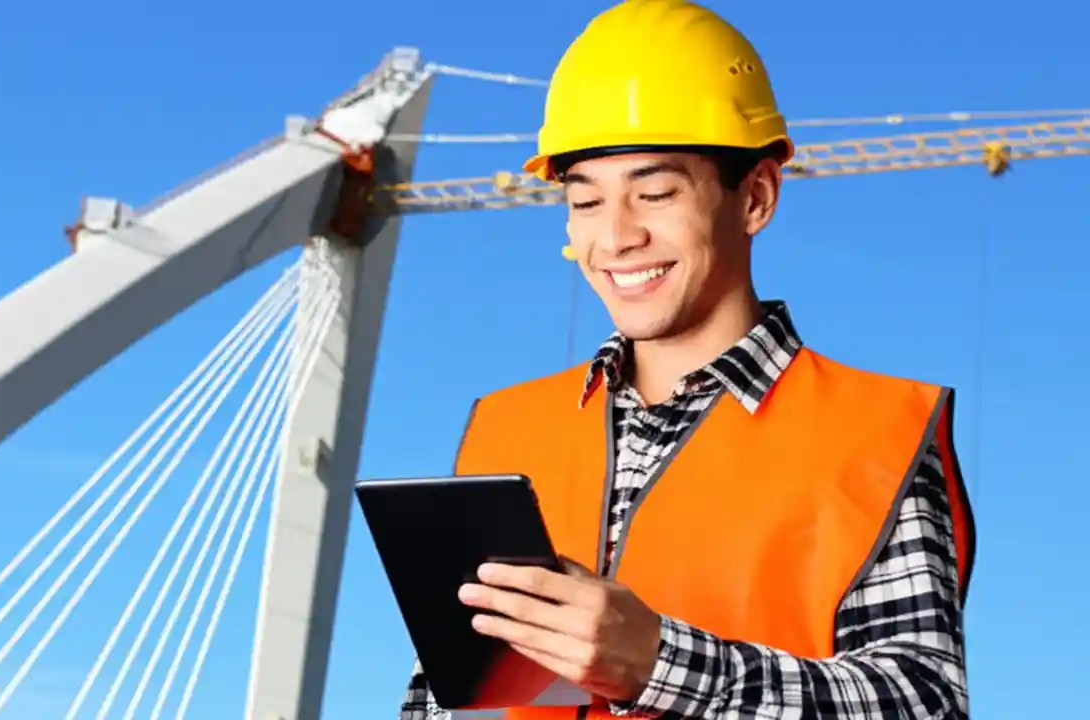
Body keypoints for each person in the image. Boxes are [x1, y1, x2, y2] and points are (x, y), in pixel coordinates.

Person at [398, 1, 976, 718]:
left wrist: (661, 664)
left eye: (655, 193)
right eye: (586, 203)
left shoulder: (876, 432)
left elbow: (923, 703)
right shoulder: (504, 429)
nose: (616, 237)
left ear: (755, 197)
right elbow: (440, 700)